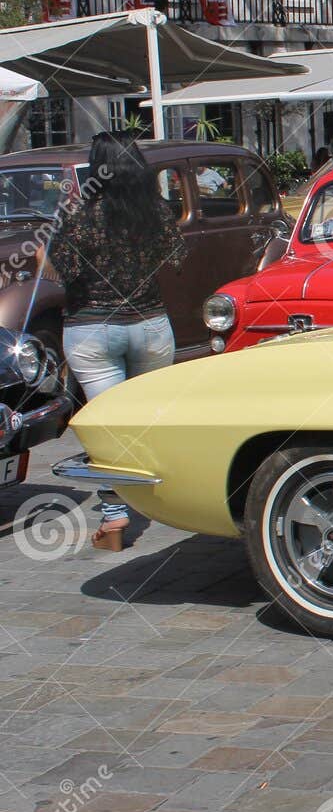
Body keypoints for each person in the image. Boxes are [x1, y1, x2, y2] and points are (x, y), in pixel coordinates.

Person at [44, 132, 186, 551]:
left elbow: (61, 271)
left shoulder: (78, 213)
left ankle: (114, 516)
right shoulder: (155, 211)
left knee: (108, 428)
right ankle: (167, 498)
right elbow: (176, 259)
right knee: (147, 420)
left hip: (92, 327)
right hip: (150, 324)